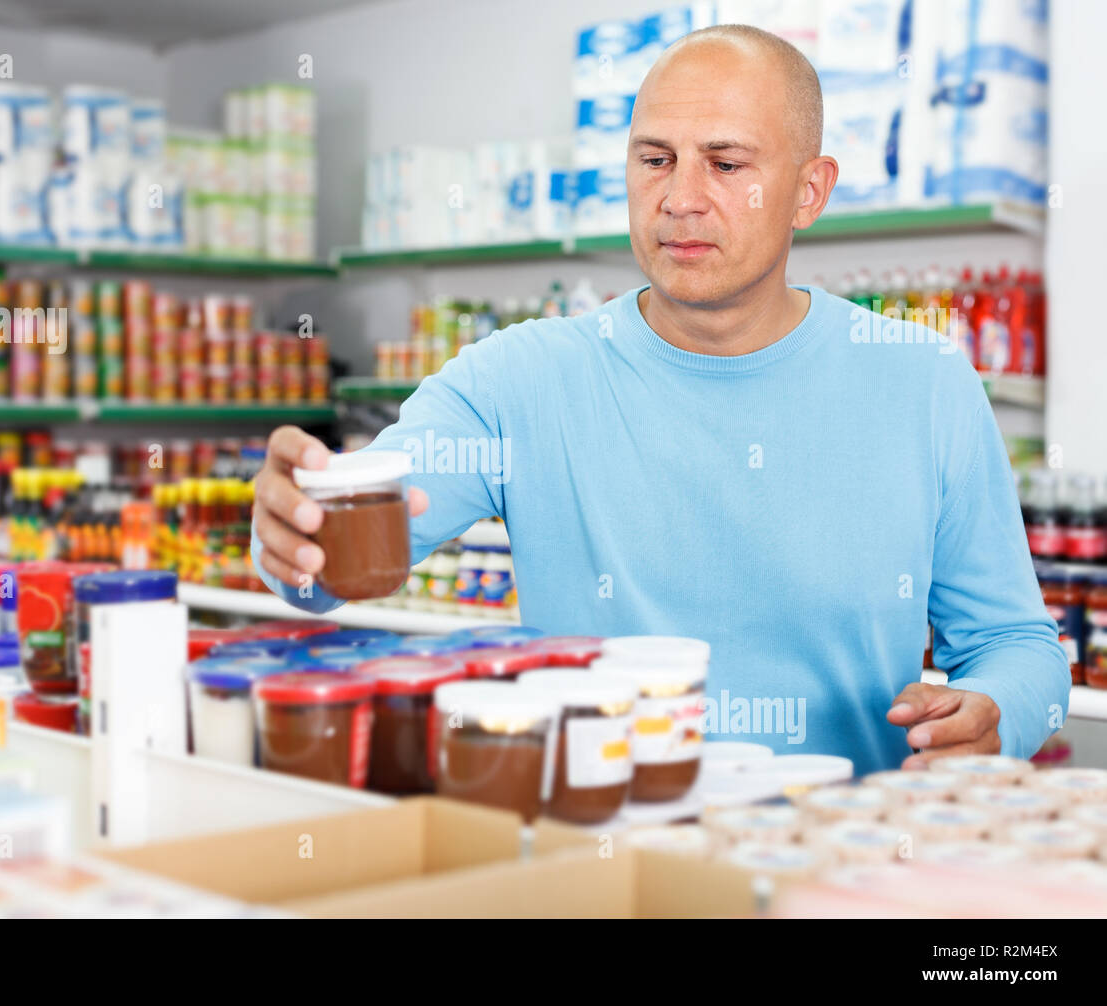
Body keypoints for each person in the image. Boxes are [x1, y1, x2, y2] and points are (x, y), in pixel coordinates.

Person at [251, 24, 1068, 775]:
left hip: (838, 864)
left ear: (810, 191)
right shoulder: (518, 381)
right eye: (654, 158)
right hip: (602, 855)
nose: (680, 196)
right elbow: (337, 553)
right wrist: (297, 533)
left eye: (725, 162)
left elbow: (1018, 644)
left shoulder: (922, 383)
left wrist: (997, 712)